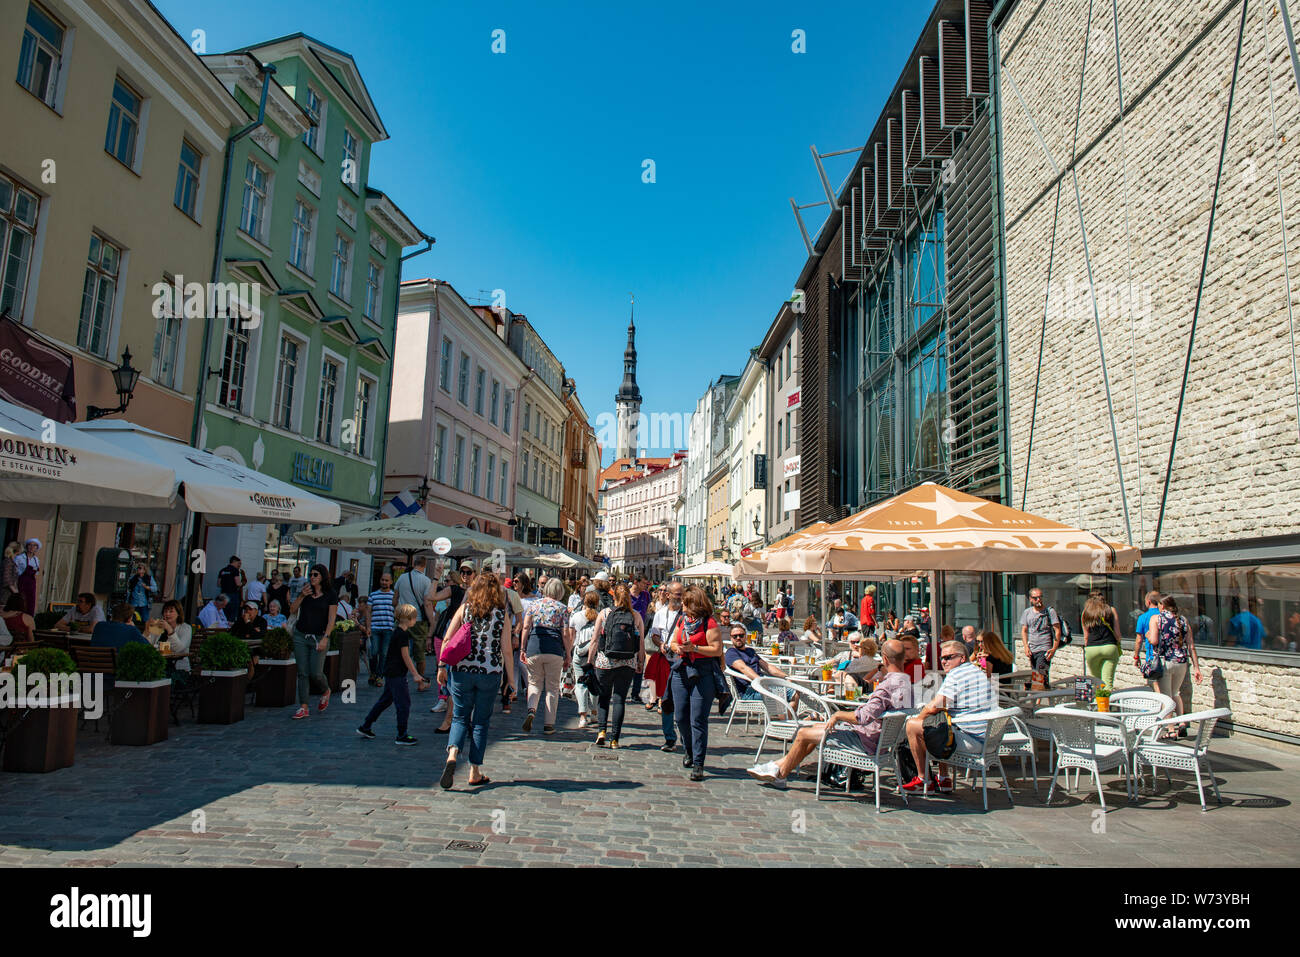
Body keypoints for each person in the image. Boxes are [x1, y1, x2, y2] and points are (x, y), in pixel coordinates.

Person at [747, 638, 913, 788]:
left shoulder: (886, 686)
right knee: (815, 728)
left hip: (865, 741)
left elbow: (861, 717)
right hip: (881, 741)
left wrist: (838, 715)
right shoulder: (906, 682)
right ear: (903, 658)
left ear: (884, 658)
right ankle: (778, 766)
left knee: (804, 734)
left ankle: (780, 774)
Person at [438, 570, 515, 789]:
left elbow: (447, 638)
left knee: (460, 717)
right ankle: (474, 771)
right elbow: (507, 650)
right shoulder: (501, 614)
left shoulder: (465, 609)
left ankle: (452, 753)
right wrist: (511, 680)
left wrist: (442, 666)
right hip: (489, 673)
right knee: (481, 722)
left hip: (462, 671)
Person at [903, 640, 996, 792]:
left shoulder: (957, 675)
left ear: (962, 658)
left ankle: (923, 780)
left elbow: (935, 705)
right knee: (939, 722)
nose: (944, 661)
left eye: (949, 657)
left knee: (913, 725)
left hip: (973, 740)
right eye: (942, 658)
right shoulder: (975, 671)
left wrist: (918, 719)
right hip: (987, 738)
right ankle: (944, 777)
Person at [666, 585, 723, 780]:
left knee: (697, 719)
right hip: (682, 670)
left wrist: (695, 648)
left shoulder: (709, 623)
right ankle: (688, 749)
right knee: (680, 716)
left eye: (685, 602)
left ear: (694, 604)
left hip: (703, 673)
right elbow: (673, 642)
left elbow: (716, 649)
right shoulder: (683, 620)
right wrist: (677, 648)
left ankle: (698, 763)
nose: (681, 604)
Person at [357, 603, 430, 745]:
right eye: (414, 618)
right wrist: (415, 674)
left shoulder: (397, 632)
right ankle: (401, 735)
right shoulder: (403, 635)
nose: (415, 620)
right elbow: (406, 656)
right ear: (409, 619)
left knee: (385, 700)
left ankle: (366, 726)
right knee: (404, 704)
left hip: (391, 672)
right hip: (397, 674)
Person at [588, 583, 645, 748]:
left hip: (605, 662)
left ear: (614, 597)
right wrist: (640, 661)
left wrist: (590, 661)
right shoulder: (636, 616)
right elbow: (640, 642)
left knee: (604, 697)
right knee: (620, 699)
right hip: (627, 663)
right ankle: (615, 739)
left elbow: (594, 640)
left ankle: (601, 731)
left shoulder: (605, 613)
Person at [521, 578, 572, 735]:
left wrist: (523, 648)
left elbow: (526, 627)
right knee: (552, 688)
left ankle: (531, 710)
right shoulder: (563, 609)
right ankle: (549, 724)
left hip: (535, 646)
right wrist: (568, 653)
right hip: (554, 648)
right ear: (560, 592)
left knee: (534, 683)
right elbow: (565, 633)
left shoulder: (534, 605)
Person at [1147, 595, 1202, 736]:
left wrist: (1147, 635)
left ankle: (1171, 729)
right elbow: (1191, 645)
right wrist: (1196, 667)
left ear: (1162, 606)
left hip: (1165, 661)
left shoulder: (1156, 619)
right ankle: (1182, 722)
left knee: (1166, 697)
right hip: (1181, 662)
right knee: (1176, 692)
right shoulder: (1183, 620)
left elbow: (1153, 640)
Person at [289, 564, 338, 719]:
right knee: (302, 672)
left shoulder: (330, 594)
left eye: (315, 574)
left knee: (316, 673)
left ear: (323, 576)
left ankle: (326, 690)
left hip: (319, 637)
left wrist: (326, 637)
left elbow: (332, 619)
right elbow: (292, 610)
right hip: (301, 635)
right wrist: (302, 595)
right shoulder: (306, 591)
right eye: (311, 574)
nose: (312, 577)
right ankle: (303, 706)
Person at [723, 625, 800, 710]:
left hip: (761, 686)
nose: (738, 638)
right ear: (731, 638)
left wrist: (786, 677)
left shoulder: (750, 651)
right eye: (735, 636)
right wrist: (762, 682)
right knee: (790, 692)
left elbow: (767, 667)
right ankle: (785, 721)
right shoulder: (731, 653)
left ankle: (786, 720)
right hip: (749, 691)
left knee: (794, 688)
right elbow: (744, 668)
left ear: (745, 636)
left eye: (741, 635)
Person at [646, 580, 684, 751]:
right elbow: (655, 634)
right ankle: (669, 738)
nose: (681, 597)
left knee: (683, 702)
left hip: (684, 661)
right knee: (666, 700)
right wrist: (660, 644)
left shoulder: (688, 614)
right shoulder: (660, 613)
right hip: (667, 661)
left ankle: (685, 736)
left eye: (682, 594)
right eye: (677, 594)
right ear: (668, 595)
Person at [395, 556, 436, 680]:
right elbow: (427, 602)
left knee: (399, 649)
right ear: (424, 566)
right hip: (417, 620)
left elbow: (394, 599)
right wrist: (431, 621)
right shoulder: (425, 580)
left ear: (414, 564)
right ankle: (420, 678)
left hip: (402, 619)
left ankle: (399, 675)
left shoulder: (402, 578)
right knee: (419, 652)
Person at [567, 589, 601, 728]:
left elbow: (571, 637)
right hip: (596, 654)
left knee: (581, 684)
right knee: (593, 682)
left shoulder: (576, 616)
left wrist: (568, 653)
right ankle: (594, 712)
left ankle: (582, 716)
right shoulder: (600, 616)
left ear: (584, 601)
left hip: (579, 653)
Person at [1080, 595, 1123, 694]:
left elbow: (1085, 637)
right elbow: (1118, 634)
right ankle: (1105, 706)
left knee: (1097, 682)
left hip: (1092, 648)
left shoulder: (1085, 613)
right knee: (1107, 683)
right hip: (1109, 646)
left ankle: (1098, 705)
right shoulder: (1111, 610)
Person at [1019, 588, 1061, 686]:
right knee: (1039, 677)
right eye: (1035, 598)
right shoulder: (1027, 612)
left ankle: (1036, 701)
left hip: (1045, 649)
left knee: (1039, 677)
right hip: (1032, 649)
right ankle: (1046, 697)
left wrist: (1054, 648)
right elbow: (1024, 630)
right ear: (1030, 599)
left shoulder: (1050, 612)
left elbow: (1057, 630)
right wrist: (1025, 647)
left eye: (1040, 597)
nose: (1038, 600)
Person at [367, 572, 397, 688]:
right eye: (382, 580)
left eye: (386, 580)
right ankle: (373, 672)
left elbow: (396, 612)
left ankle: (380, 676)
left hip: (388, 628)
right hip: (375, 628)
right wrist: (368, 626)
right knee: (374, 652)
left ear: (391, 582)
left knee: (384, 654)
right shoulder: (373, 595)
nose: (384, 582)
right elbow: (368, 612)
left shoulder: (393, 596)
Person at [153, 599, 192, 672]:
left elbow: (180, 649)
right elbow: (148, 644)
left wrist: (169, 630)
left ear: (178, 613)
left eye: (171, 611)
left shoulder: (186, 628)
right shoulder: (158, 627)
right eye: (165, 611)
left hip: (178, 668)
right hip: (158, 665)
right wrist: (147, 630)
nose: (167, 614)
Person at [13, 538, 40, 615]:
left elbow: (36, 572)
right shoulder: (19, 558)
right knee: (21, 603)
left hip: (31, 585)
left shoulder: (36, 560)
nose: (32, 547)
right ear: (27, 546)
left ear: (37, 548)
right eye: (30, 545)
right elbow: (14, 572)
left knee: (30, 603)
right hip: (21, 583)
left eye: (34, 545)